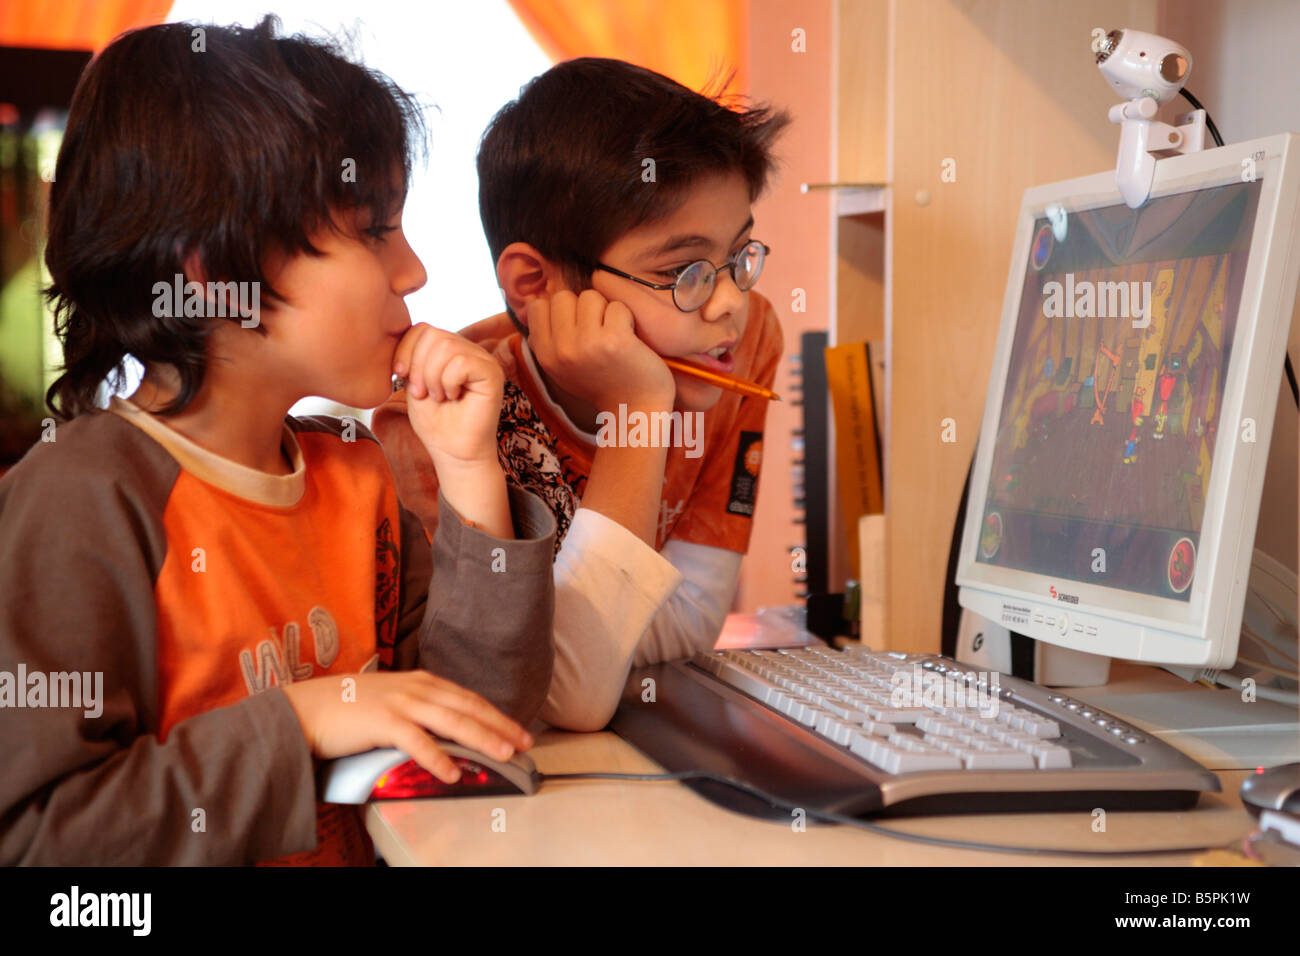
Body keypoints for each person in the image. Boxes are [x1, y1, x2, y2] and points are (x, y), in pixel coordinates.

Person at [0, 17, 555, 866]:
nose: (414, 271)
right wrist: (302, 719)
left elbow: (477, 732)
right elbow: (42, 836)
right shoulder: (81, 499)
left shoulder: (355, 472)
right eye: (375, 229)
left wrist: (470, 470)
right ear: (213, 275)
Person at [374, 58, 789, 731]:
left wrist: (577, 639)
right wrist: (638, 411)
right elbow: (565, 693)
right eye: (683, 272)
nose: (729, 304)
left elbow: (692, 620)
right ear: (534, 285)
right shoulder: (436, 423)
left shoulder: (743, 344)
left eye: (740, 257)